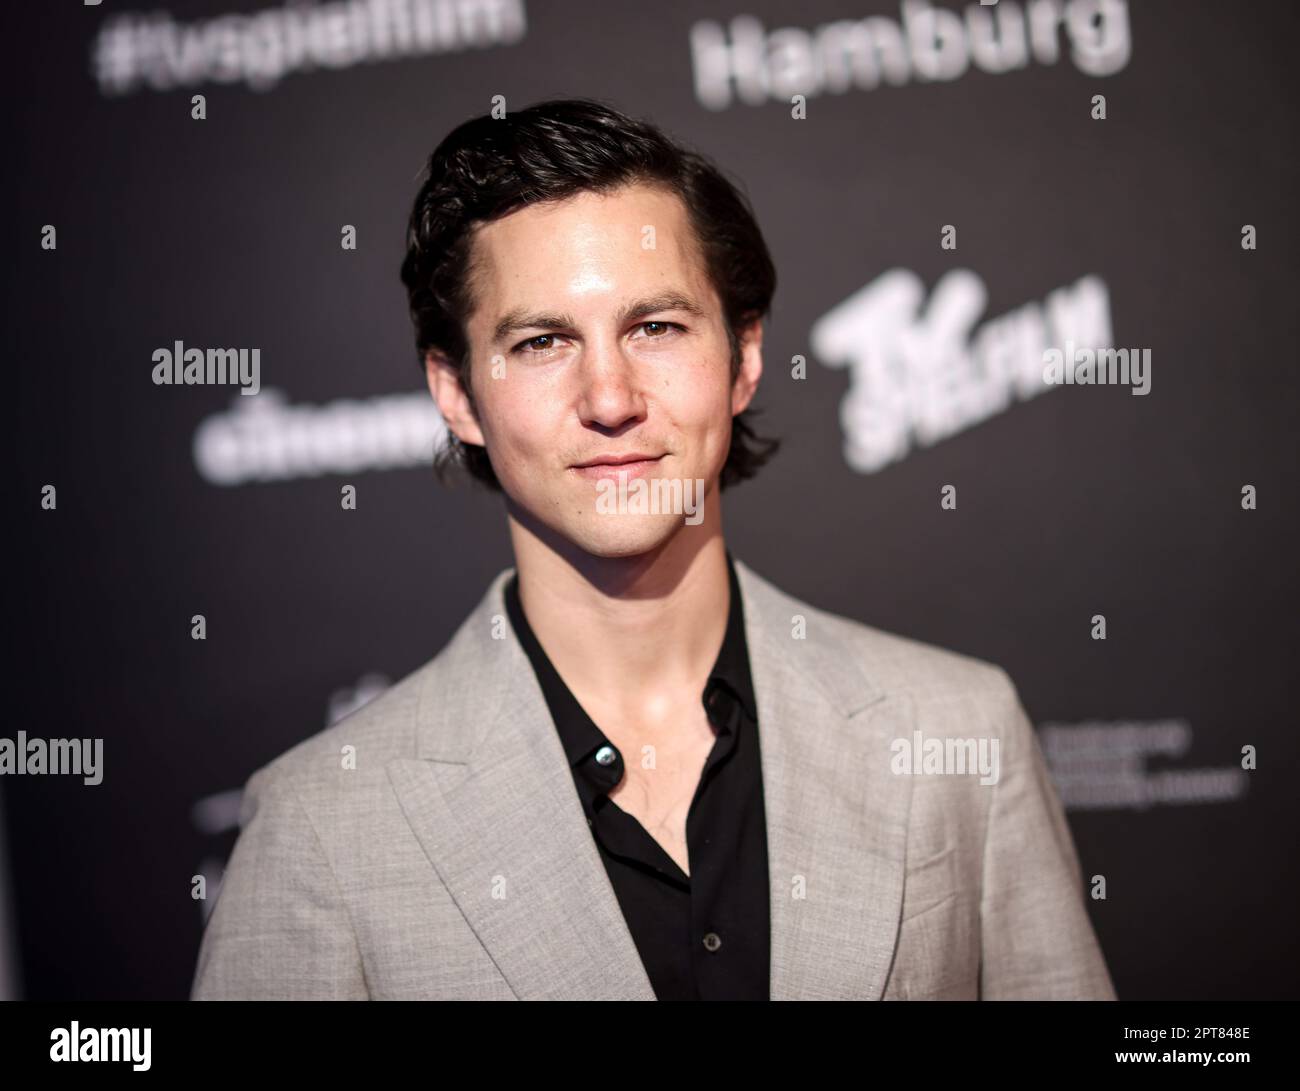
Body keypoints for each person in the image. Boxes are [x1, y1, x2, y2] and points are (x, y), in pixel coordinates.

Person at [190, 98, 1116, 1001]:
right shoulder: (324, 827)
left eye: (656, 327)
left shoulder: (958, 731)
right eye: (544, 340)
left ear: (744, 356)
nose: (610, 397)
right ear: (458, 392)